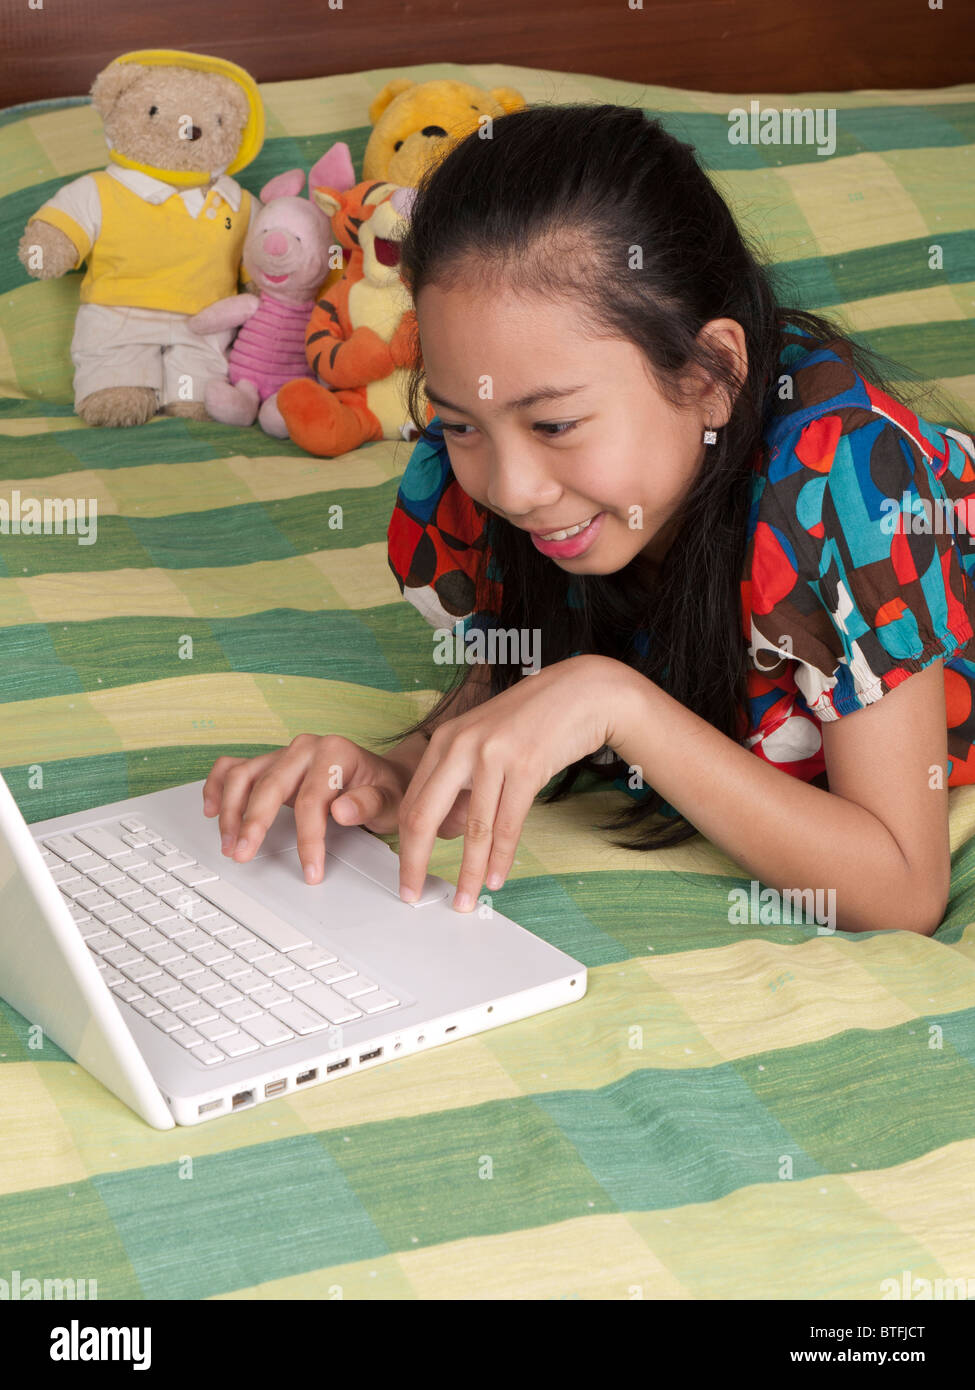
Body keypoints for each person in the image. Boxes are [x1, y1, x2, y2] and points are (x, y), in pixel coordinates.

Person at [203, 103, 975, 935]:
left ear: (711, 372)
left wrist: (617, 703)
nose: (514, 488)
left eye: (556, 425)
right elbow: (519, 663)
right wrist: (394, 772)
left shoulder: (847, 492)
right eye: (461, 421)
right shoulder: (481, 478)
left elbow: (901, 891)